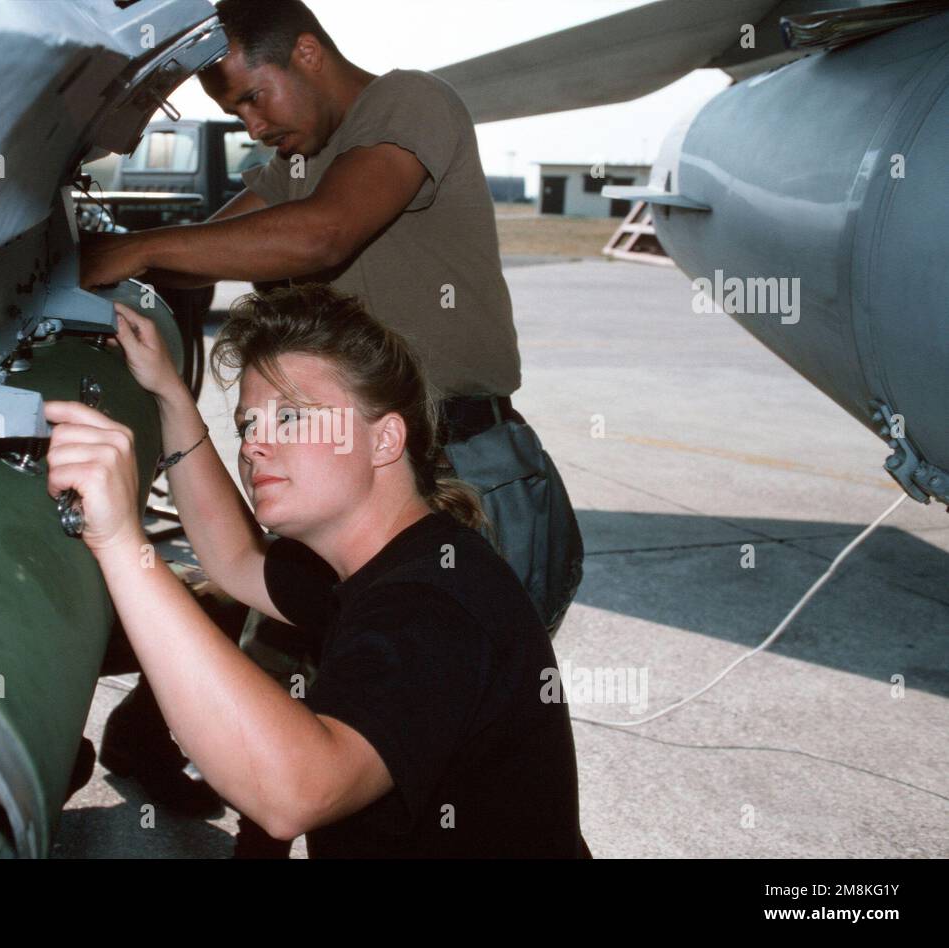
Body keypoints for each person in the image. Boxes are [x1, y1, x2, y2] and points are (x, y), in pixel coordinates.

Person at [79, 0, 582, 837]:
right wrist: (146, 331)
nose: (250, 123)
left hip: (466, 462)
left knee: (428, 727)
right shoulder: (300, 165)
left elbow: (322, 238)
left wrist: (134, 249)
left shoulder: (407, 105)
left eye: (251, 97)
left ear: (306, 52)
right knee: (304, 674)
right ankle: (160, 747)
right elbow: (222, 241)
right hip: (362, 478)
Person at [44, 285, 586, 858]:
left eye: (293, 417)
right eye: (249, 425)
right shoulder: (389, 562)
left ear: (384, 439)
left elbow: (295, 794)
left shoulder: (433, 605)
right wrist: (172, 397)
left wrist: (120, 541)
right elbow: (236, 562)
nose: (255, 446)